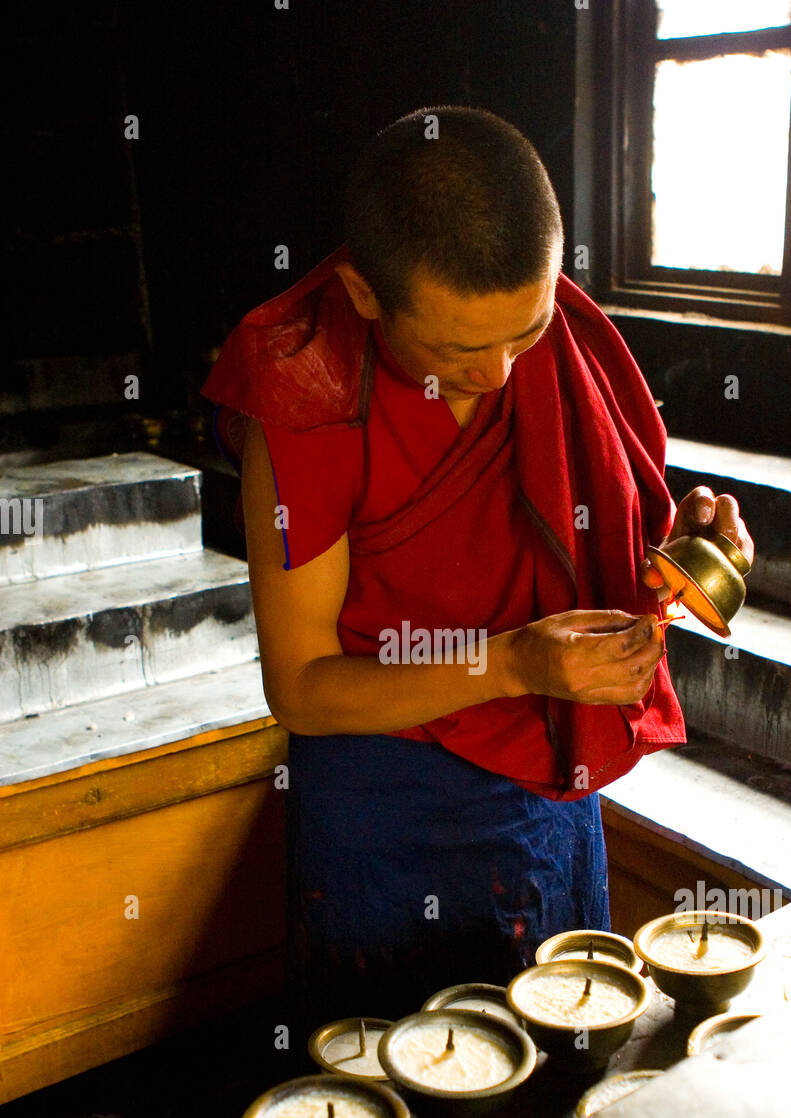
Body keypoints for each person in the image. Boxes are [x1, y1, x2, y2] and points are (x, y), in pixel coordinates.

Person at [202, 106, 754, 1027]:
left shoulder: (548, 333)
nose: (502, 374)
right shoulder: (306, 389)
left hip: (545, 772)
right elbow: (301, 687)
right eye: (461, 351)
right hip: (386, 794)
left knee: (558, 1056)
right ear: (367, 294)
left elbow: (598, 514)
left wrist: (684, 540)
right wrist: (510, 664)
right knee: (393, 1080)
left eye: (524, 333)